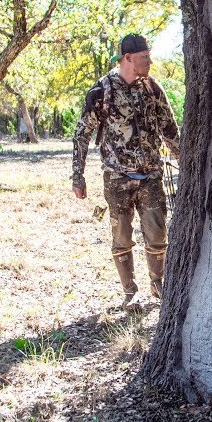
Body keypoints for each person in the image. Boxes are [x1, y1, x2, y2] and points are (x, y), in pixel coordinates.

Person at [72, 33, 180, 306]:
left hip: (151, 176)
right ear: (128, 58)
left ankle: (159, 289)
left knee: (157, 235)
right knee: (121, 237)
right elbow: (82, 134)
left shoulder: (153, 88)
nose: (150, 62)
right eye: (145, 57)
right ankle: (129, 293)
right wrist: (78, 175)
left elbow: (170, 130)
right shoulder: (102, 91)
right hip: (117, 177)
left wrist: (186, 163)